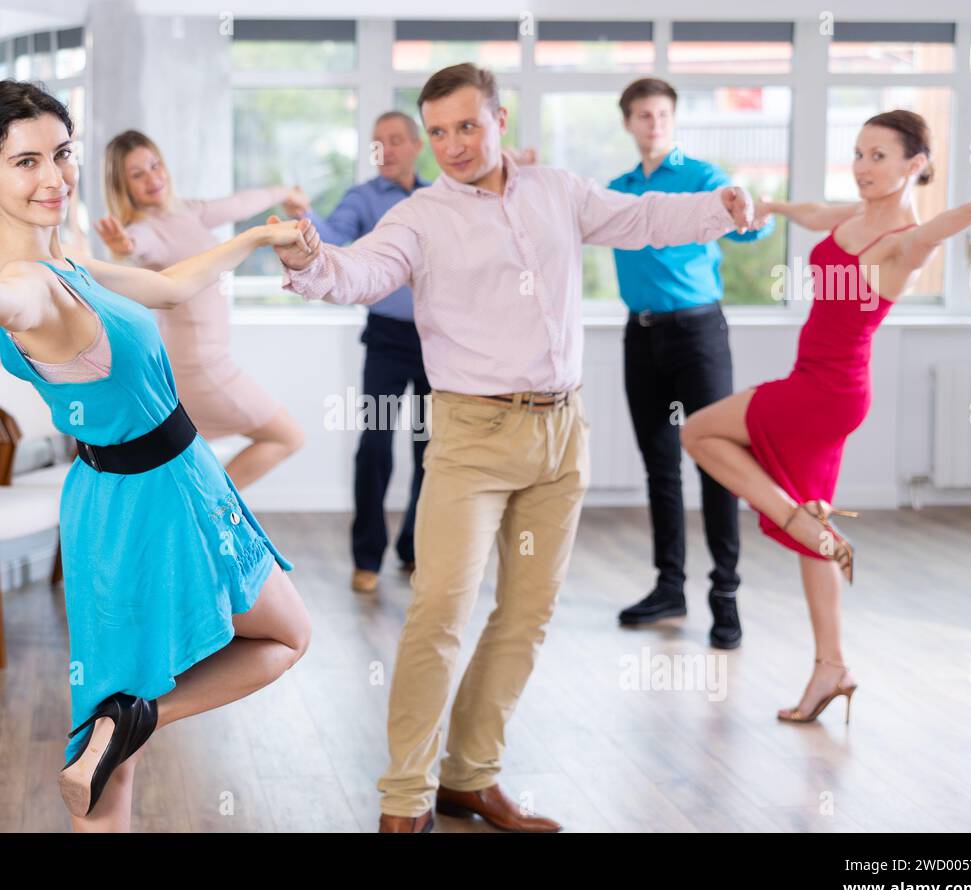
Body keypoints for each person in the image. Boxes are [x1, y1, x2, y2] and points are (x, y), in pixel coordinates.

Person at [0, 80, 317, 833]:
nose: (52, 178)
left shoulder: (66, 263)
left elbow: (171, 285)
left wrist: (255, 238)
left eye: (61, 155)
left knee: (108, 757)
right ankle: (138, 715)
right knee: (285, 634)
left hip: (120, 496)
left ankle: (127, 718)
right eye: (25, 162)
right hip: (160, 493)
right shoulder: (26, 286)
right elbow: (3, 300)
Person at [275, 63, 759, 833]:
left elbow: (638, 219)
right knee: (439, 611)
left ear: (499, 119)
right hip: (471, 437)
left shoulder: (557, 190)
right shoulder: (422, 216)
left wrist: (719, 208)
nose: (453, 145)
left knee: (527, 614)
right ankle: (404, 797)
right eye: (438, 133)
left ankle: (469, 774)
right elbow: (362, 270)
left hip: (561, 434)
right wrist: (308, 261)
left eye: (467, 126)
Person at [681, 110, 971, 723]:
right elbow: (819, 213)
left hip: (828, 390)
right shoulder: (856, 216)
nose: (863, 167)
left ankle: (798, 521)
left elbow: (932, 233)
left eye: (879, 157)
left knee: (699, 430)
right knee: (814, 534)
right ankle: (830, 667)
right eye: (860, 154)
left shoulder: (901, 241)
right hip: (817, 380)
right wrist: (777, 207)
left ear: (914, 166)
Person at [609, 78, 774, 650]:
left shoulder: (705, 179)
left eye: (662, 114)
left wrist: (751, 214)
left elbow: (753, 223)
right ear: (629, 123)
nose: (654, 123)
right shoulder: (619, 190)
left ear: (673, 120)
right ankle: (669, 588)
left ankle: (724, 597)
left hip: (697, 334)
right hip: (641, 336)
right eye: (643, 115)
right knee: (660, 466)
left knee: (717, 462)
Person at [94, 131, 309, 489]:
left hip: (199, 363)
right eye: (137, 174)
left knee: (183, 468)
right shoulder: (145, 229)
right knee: (287, 436)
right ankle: (212, 511)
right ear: (123, 186)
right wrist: (123, 245)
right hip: (201, 367)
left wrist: (284, 192)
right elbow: (135, 246)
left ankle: (191, 522)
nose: (152, 178)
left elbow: (240, 203)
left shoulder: (189, 212)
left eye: (154, 165)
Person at [300, 112, 431, 593]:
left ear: (417, 146)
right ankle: (367, 557)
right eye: (379, 143)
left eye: (396, 140)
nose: (387, 150)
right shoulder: (363, 197)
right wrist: (305, 216)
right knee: (375, 446)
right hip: (386, 340)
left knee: (431, 451)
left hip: (438, 343)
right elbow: (332, 239)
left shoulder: (438, 198)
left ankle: (416, 549)